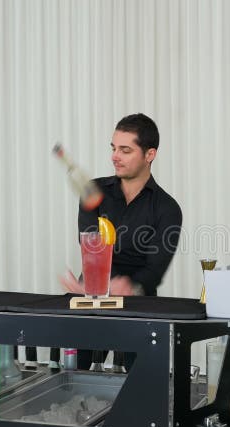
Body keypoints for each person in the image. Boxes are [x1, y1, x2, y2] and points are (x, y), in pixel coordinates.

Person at [58, 113, 182, 371]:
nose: (115, 156)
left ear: (150, 155)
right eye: (114, 148)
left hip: (139, 312)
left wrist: (129, 286)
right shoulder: (93, 191)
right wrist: (98, 286)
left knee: (139, 390)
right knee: (76, 386)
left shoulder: (167, 209)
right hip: (88, 305)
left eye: (125, 150)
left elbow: (153, 271)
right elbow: (92, 248)